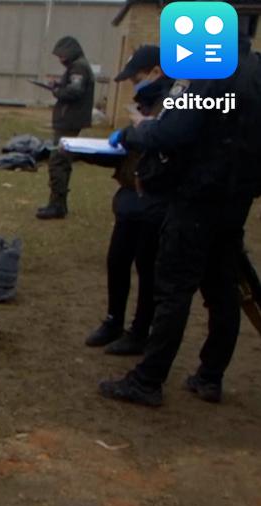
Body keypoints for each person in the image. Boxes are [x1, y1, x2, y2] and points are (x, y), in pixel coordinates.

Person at [99, 32, 259, 406]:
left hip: (197, 196)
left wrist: (137, 133)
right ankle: (210, 376)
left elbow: (175, 130)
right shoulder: (254, 69)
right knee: (222, 289)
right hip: (235, 198)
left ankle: (147, 380)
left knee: (173, 289)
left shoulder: (208, 73)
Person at [84, 46, 172, 355]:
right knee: (117, 260)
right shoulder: (146, 103)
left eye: (137, 77)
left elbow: (160, 143)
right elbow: (135, 151)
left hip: (155, 200)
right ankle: (113, 321)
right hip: (130, 198)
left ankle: (139, 330)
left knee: (147, 268)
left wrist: (134, 133)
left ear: (156, 72)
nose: (135, 84)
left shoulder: (174, 103)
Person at [37, 36, 95, 220]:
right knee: (62, 161)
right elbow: (72, 86)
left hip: (69, 121)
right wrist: (59, 85)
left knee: (58, 161)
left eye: (62, 56)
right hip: (69, 120)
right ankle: (58, 203)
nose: (60, 60)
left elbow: (75, 91)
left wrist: (57, 91)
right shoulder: (78, 66)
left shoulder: (78, 67)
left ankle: (57, 205)